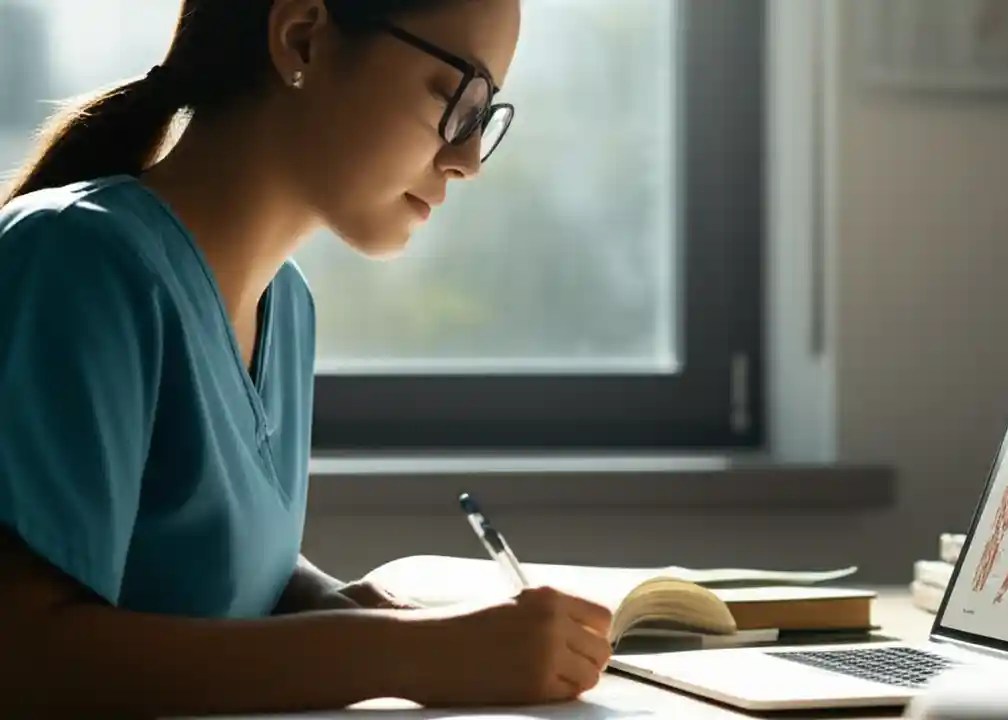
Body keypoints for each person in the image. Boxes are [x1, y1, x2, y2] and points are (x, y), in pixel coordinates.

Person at [0, 0, 613, 716]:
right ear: (303, 40)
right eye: (456, 98)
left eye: (487, 116)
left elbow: (197, 562)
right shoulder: (77, 262)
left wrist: (348, 609)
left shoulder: (286, 307)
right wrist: (415, 655)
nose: (469, 158)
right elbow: (25, 658)